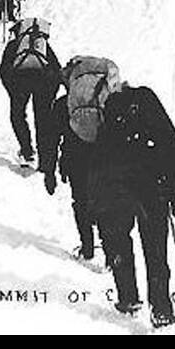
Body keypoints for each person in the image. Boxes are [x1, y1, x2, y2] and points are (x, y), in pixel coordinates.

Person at [84, 66, 175, 328]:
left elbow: (94, 158)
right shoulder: (143, 98)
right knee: (156, 249)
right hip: (150, 185)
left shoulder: (95, 114)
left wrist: (93, 198)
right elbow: (169, 137)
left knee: (120, 243)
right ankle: (161, 310)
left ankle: (128, 299)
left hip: (113, 187)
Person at [39, 58, 108, 263]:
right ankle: (112, 252)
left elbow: (50, 140)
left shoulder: (62, 105)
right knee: (106, 204)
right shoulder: (108, 102)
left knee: (81, 202)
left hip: (74, 160)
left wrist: (49, 172)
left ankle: (87, 248)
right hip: (105, 162)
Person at [0, 19, 62, 166]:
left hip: (19, 83)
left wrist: (12, 90)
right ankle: (44, 160)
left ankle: (26, 150)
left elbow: (3, 70)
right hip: (44, 82)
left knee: (17, 116)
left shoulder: (13, 46)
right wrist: (52, 93)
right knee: (43, 120)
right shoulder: (43, 47)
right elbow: (56, 70)